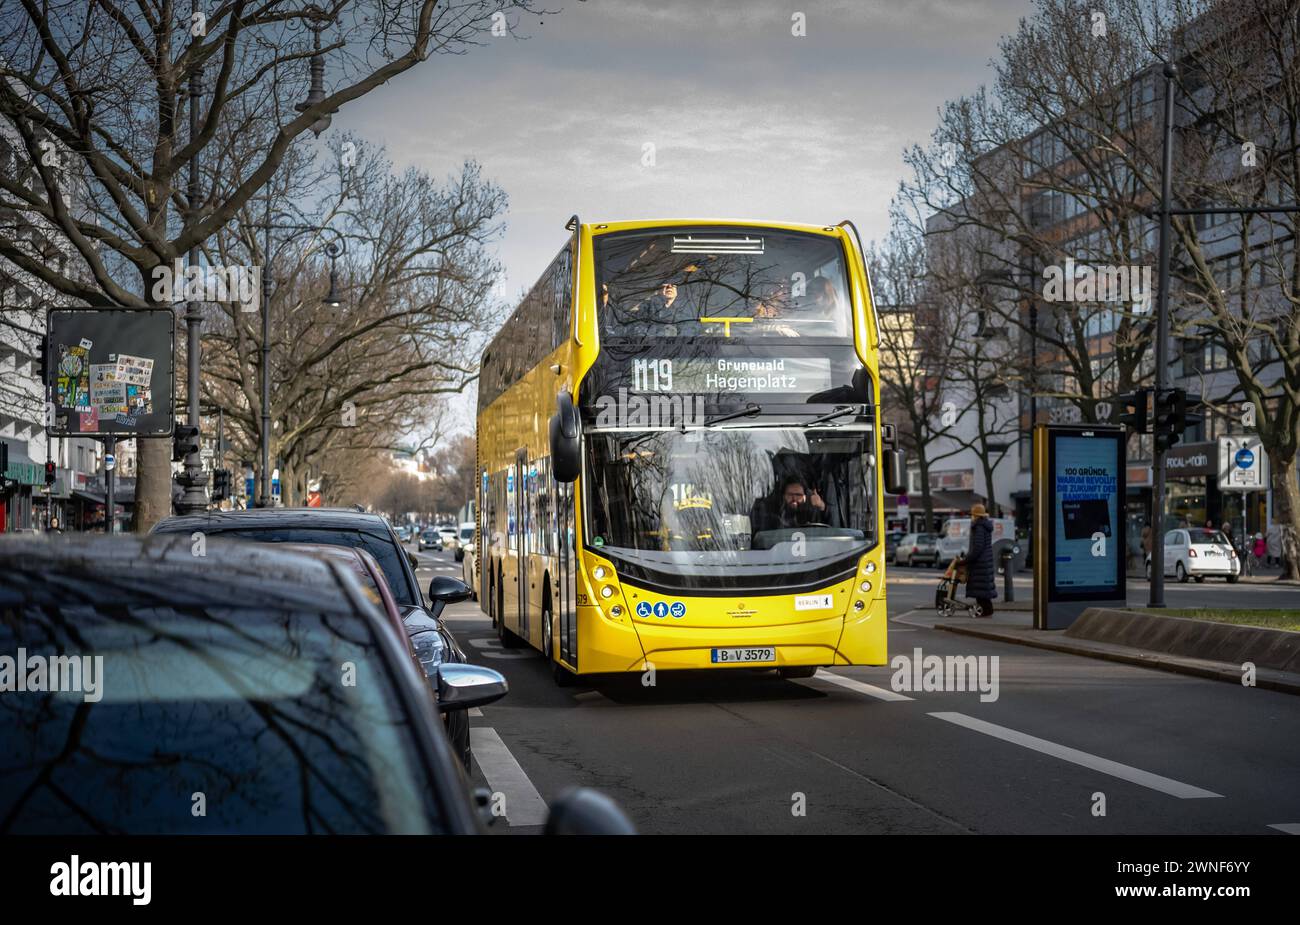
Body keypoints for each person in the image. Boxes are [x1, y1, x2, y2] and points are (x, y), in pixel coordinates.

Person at [751, 476, 827, 532]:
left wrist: (821, 506)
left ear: (805, 497)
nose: (794, 498)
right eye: (790, 494)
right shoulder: (773, 515)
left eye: (798, 495)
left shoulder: (813, 512)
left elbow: (831, 528)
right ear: (784, 496)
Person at [965, 503, 996, 618]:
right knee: (983, 588)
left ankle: (985, 611)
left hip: (980, 562)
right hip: (985, 560)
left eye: (972, 515)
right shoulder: (984, 526)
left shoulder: (979, 527)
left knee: (980, 588)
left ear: (976, 516)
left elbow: (978, 546)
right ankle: (987, 611)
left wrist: (968, 558)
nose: (971, 517)